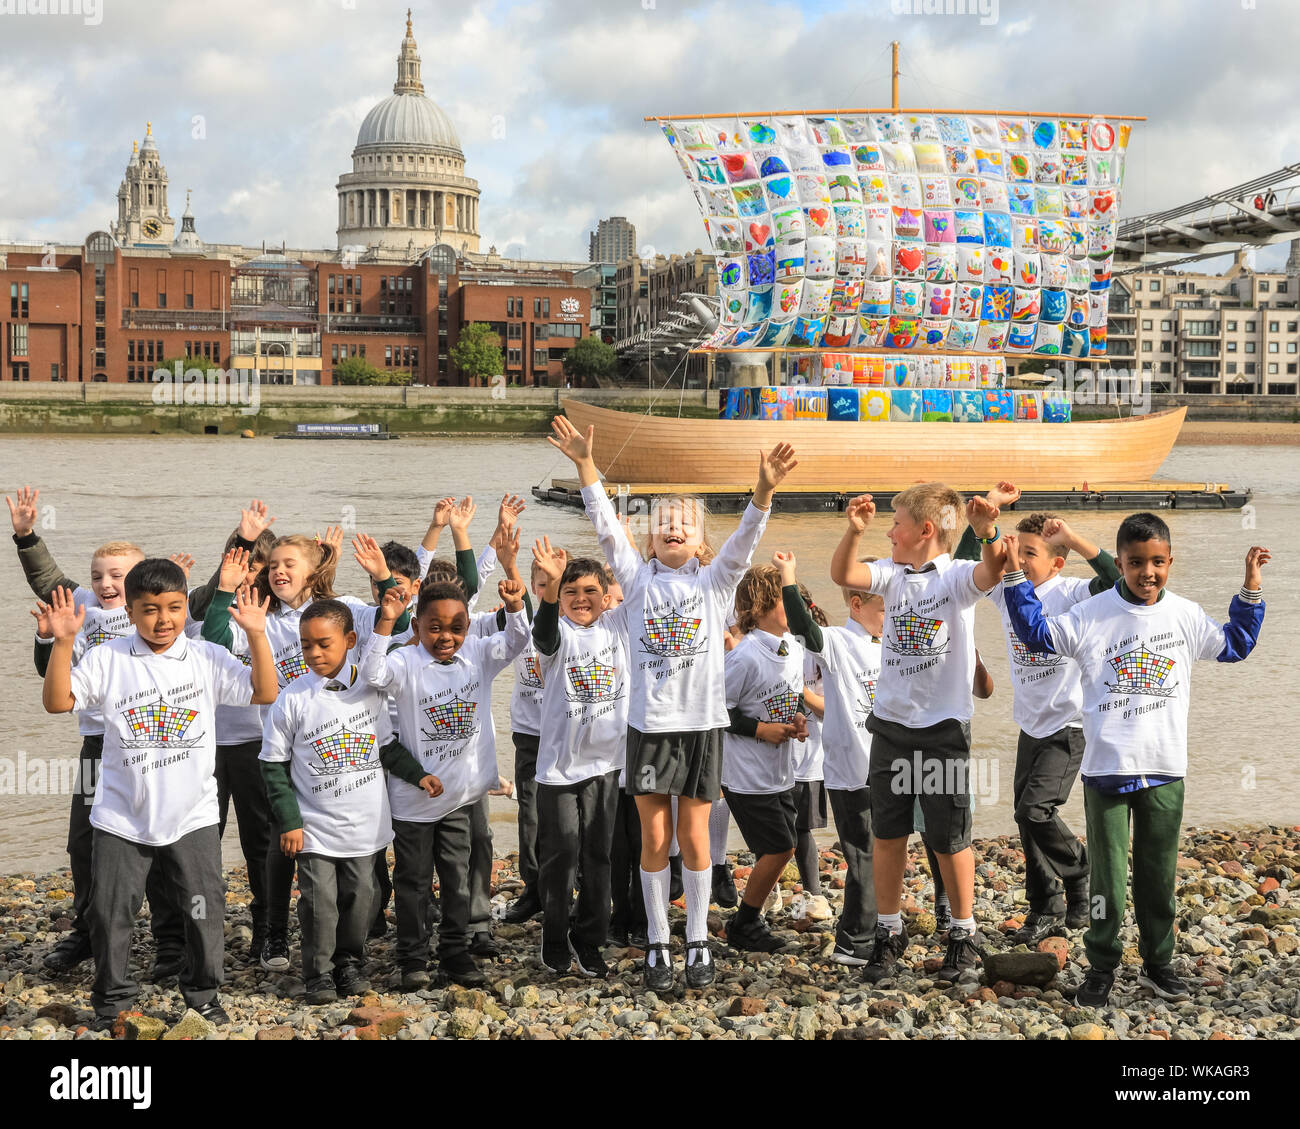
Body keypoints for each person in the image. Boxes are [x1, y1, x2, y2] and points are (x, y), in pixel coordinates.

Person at [548, 413, 797, 990]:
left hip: (703, 727)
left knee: (695, 840)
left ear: (701, 538)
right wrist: (587, 466)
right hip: (650, 729)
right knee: (656, 840)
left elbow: (746, 541)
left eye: (684, 522)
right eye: (663, 522)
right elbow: (607, 526)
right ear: (651, 536)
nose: (672, 527)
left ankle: (698, 940)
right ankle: (659, 942)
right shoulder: (635, 581)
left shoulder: (716, 583)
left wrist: (763, 490)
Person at [1003, 515, 1269, 1006]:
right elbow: (1036, 633)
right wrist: (1014, 575)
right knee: (1108, 880)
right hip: (1106, 769)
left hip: (1166, 769)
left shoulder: (1185, 615)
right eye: (1136, 563)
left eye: (1158, 563)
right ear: (1120, 562)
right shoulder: (1091, 613)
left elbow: (1234, 645)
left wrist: (1250, 588)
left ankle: (1158, 963)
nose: (1148, 573)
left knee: (1157, 877)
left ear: (1170, 561)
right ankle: (1101, 965)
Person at [40, 561, 278, 1028]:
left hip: (192, 816)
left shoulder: (206, 657)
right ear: (129, 611)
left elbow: (264, 691)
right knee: (111, 913)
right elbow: (57, 702)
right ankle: (112, 999)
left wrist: (255, 634)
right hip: (120, 817)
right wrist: (64, 641)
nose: (163, 619)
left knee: (203, 908)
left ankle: (203, 992)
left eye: (173, 608)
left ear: (185, 604)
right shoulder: (109, 658)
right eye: (149, 610)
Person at [203, 527, 411, 973]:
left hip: (339, 743)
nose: (278, 571)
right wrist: (223, 590)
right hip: (281, 743)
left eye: (288, 564)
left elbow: (400, 621)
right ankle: (275, 928)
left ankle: (364, 923)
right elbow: (216, 638)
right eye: (273, 565)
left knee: (359, 844)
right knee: (283, 839)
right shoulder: (263, 613)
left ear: (313, 570)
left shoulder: (344, 611)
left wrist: (382, 578)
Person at [7, 485, 187, 977]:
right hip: (97, 746)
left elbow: (211, 599)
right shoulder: (81, 606)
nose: (107, 584)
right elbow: (48, 580)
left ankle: (172, 940)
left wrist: (240, 539)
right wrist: (26, 535)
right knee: (84, 841)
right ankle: (88, 931)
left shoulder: (156, 612)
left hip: (152, 744)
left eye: (118, 576)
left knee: (161, 838)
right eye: (98, 576)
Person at [829, 485, 1006, 983]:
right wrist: (853, 530)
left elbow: (992, 572)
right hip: (890, 728)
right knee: (887, 834)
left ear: (925, 531)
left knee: (949, 838)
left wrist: (987, 531)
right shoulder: (890, 575)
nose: (888, 532)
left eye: (896, 524)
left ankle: (963, 935)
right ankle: (888, 934)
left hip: (944, 729)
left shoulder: (953, 579)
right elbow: (843, 574)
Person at [259, 598, 441, 1004]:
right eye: (306, 646)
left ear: (351, 640)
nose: (314, 654)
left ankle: (349, 961)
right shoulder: (292, 699)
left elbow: (386, 747)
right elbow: (272, 766)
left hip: (365, 825)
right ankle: (319, 973)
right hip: (315, 827)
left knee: (363, 897)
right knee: (319, 902)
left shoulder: (371, 692)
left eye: (324, 644)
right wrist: (290, 821)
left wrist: (419, 775)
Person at [361, 575, 529, 989]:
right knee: (413, 883)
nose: (446, 636)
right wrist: (385, 623)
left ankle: (455, 953)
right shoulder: (405, 661)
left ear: (468, 628)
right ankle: (412, 958)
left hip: (459, 798)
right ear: (417, 626)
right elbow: (372, 675)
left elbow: (517, 642)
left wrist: (514, 609)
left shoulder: (478, 656)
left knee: (457, 879)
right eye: (434, 627)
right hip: (414, 801)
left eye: (456, 627)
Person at [965, 507, 1121, 941]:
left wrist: (1074, 538)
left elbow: (1115, 582)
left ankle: (1080, 873)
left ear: (1056, 561)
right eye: (1015, 547)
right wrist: (989, 530)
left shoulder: (1072, 593)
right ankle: (1046, 905)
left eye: (1028, 551)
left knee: (1035, 811)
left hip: (1068, 726)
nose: (1016, 556)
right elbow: (964, 564)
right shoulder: (1007, 589)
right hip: (1030, 726)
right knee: (1025, 818)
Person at [530, 540, 629, 978]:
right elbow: (544, 634)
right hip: (558, 770)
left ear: (606, 597)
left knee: (598, 857)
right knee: (561, 857)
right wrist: (551, 587)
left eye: (590, 591)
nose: (581, 600)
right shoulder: (557, 634)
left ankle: (589, 939)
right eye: (571, 593)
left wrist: (624, 545)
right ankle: (554, 940)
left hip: (605, 766)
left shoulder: (618, 626)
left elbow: (643, 589)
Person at [778, 551, 883, 966]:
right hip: (850, 771)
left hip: (892, 769)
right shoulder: (839, 641)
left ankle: (881, 928)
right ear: (856, 604)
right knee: (861, 854)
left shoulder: (894, 643)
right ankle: (855, 941)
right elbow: (804, 629)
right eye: (884, 604)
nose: (893, 611)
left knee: (884, 852)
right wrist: (789, 579)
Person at [721, 563, 808, 954]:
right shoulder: (745, 657)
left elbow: (788, 699)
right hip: (745, 773)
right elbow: (716, 710)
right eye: (785, 599)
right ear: (758, 606)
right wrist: (760, 730)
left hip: (780, 770)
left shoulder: (792, 649)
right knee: (781, 847)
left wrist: (797, 720)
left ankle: (749, 913)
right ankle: (744, 922)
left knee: (778, 846)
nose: (796, 605)